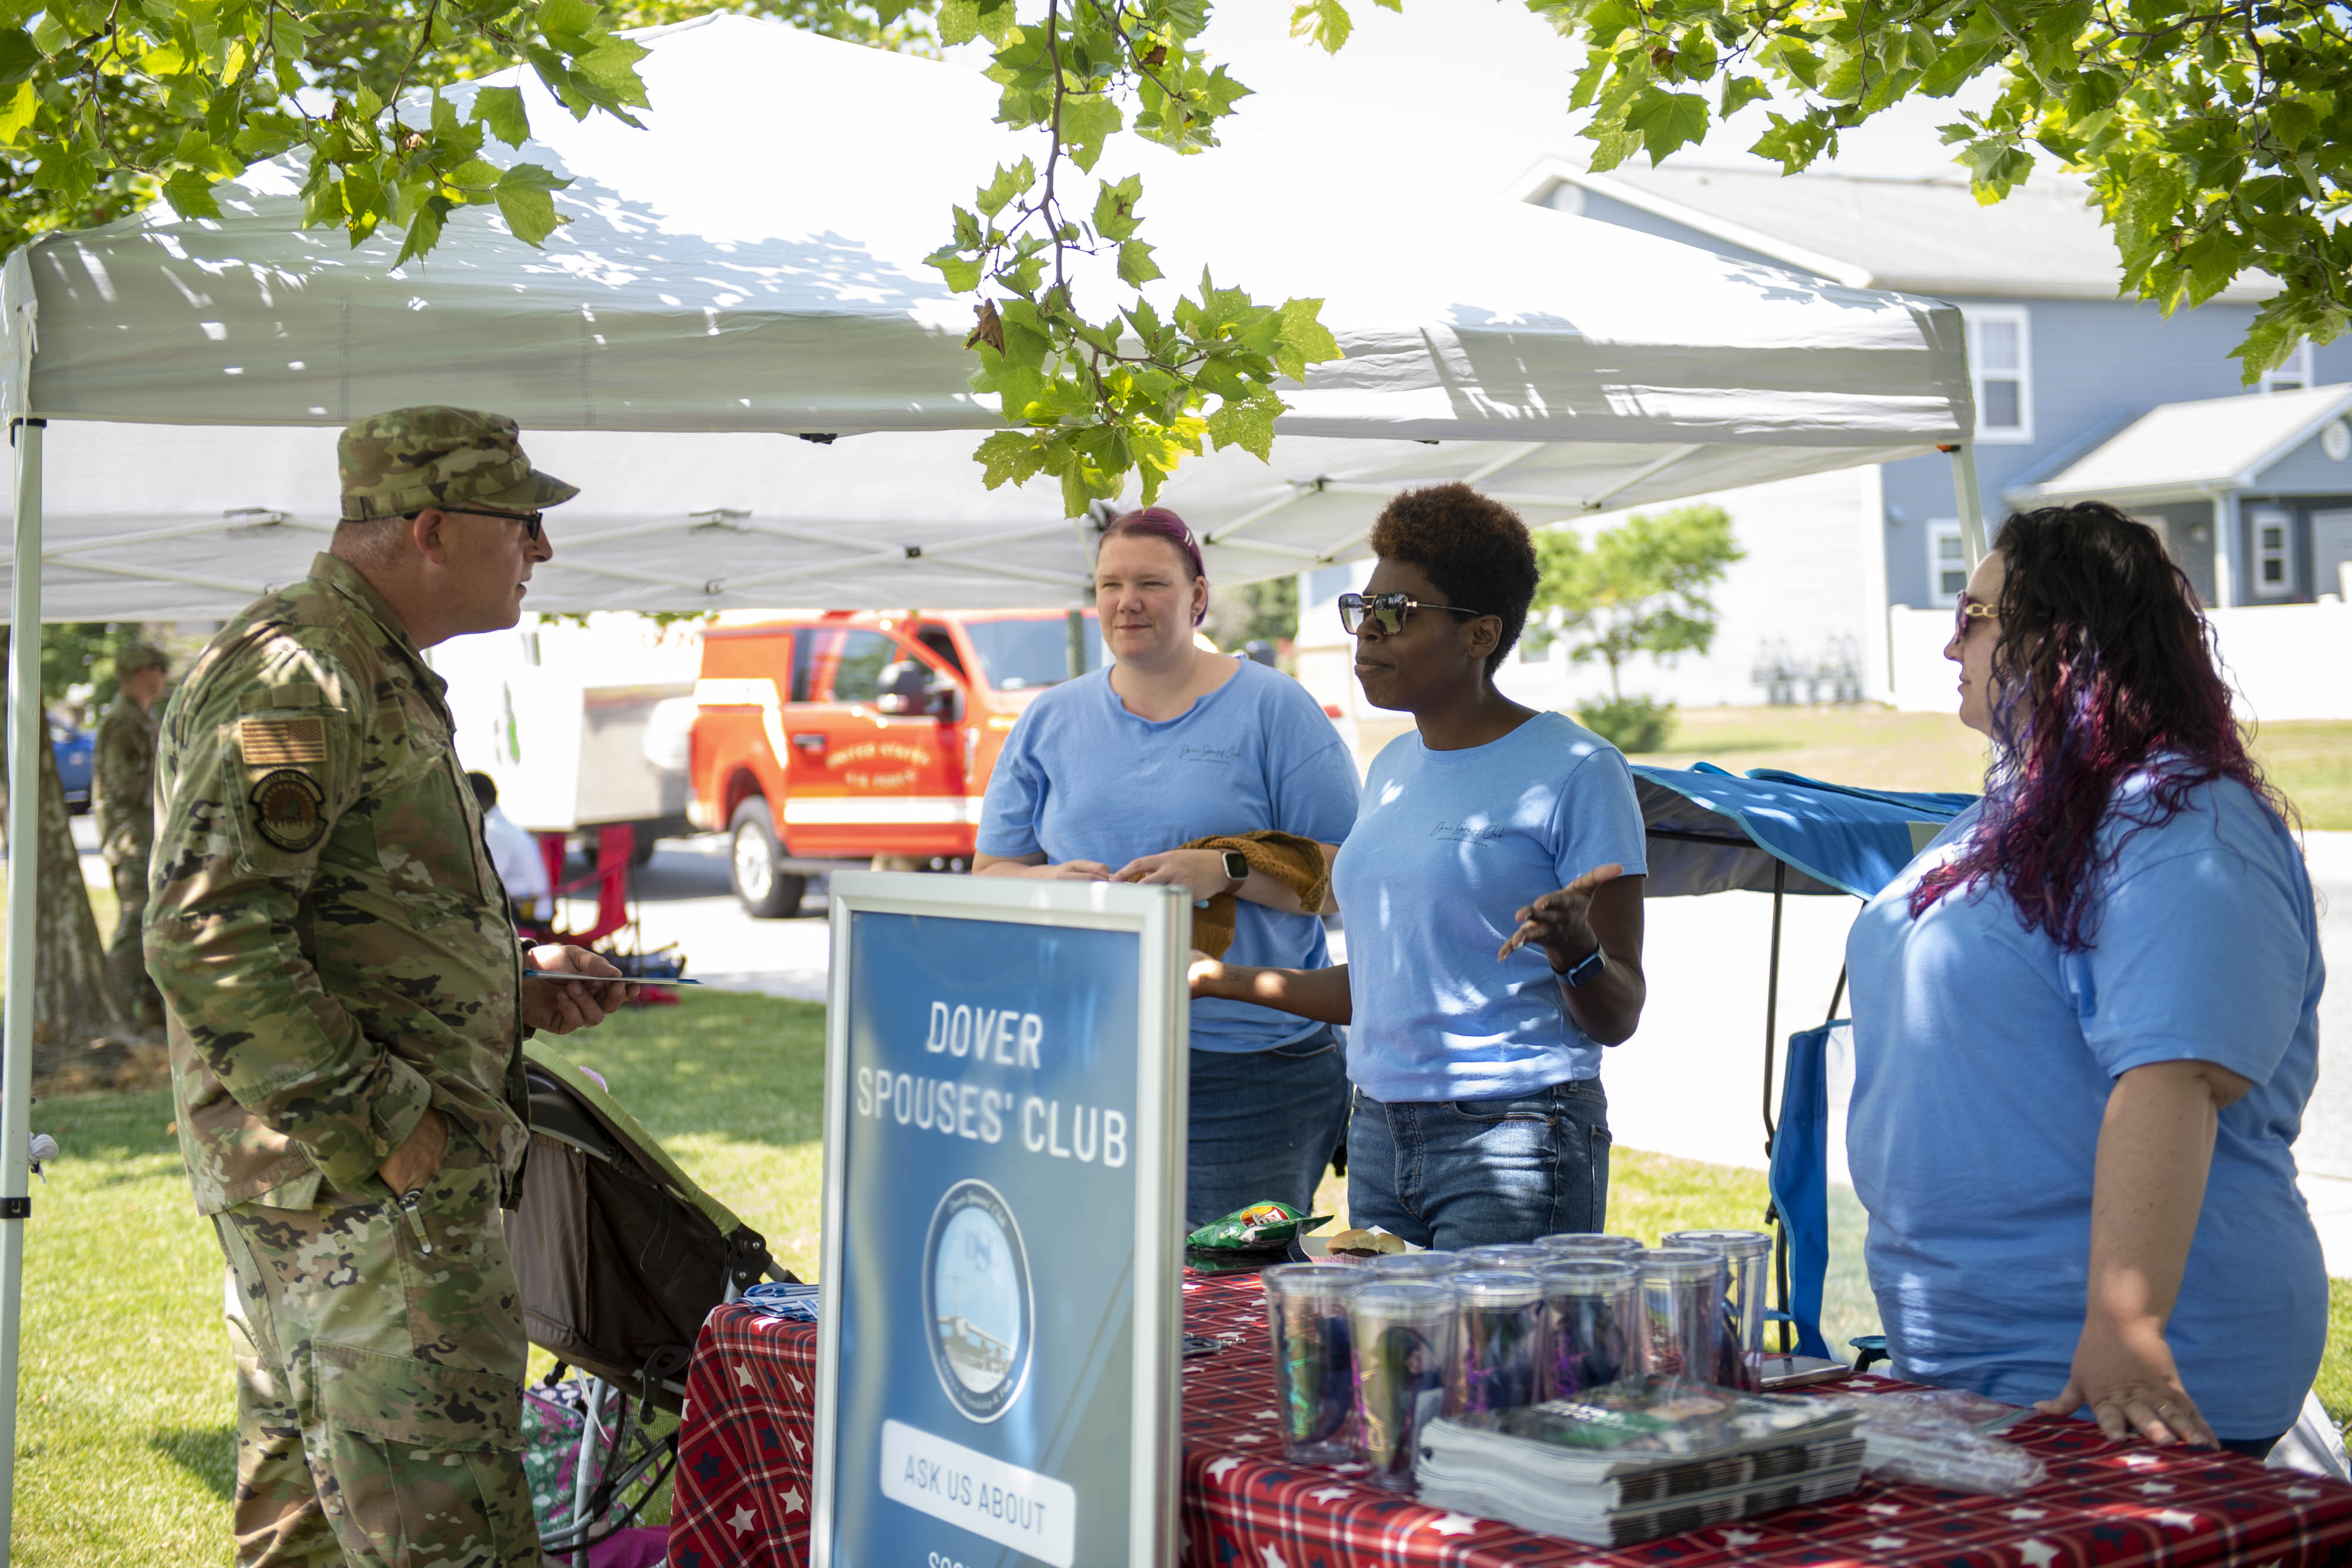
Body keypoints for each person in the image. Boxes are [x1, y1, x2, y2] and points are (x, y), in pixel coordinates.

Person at [146, 406, 637, 1567]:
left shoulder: (350, 661)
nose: (541, 549)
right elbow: (208, 929)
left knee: (308, 1529)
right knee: (445, 1536)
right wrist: (388, 1124)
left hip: (326, 1197)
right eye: (522, 521)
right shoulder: (306, 674)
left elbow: (340, 912)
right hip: (361, 1197)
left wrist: (502, 989)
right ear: (426, 528)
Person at [1845, 501, 2324, 1459]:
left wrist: (2127, 1328)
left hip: (2120, 1378)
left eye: (1972, 616)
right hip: (1967, 1361)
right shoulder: (2014, 808)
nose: (1950, 646)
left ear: (2061, 640)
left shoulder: (2184, 824)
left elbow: (2175, 1076)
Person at [1190, 483, 1650, 1249]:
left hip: (1514, 1130)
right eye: (1361, 608)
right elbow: (1385, 987)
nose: (1366, 632)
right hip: (1376, 1129)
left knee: (1494, 1372)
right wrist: (1223, 979)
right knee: (1389, 1372)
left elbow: (1620, 1011)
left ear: (1480, 634)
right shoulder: (1394, 765)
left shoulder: (1577, 769)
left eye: (1397, 612)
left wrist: (1576, 949)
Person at [974, 507, 1361, 1225]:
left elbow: (1350, 882)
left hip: (1251, 1072)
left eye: (1151, 583)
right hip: (1087, 1060)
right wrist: (1043, 885)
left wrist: (1229, 871)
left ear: (1198, 597)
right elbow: (992, 871)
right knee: (1102, 1299)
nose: (1127, 601)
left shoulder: (1274, 708)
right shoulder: (1049, 720)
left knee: (1232, 1306)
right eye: (1109, 583)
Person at [92, 639, 171, 1031]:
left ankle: (150, 1015)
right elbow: (125, 784)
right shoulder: (124, 721)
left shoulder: (139, 717)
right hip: (131, 838)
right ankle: (117, 1015)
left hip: (143, 836)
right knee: (134, 922)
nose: (165, 677)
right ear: (145, 672)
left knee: (152, 921)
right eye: (162, 668)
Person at [468, 768, 555, 928]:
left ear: (476, 799)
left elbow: (487, 880)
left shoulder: (496, 832)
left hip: (527, 911)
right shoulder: (501, 826)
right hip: (526, 905)